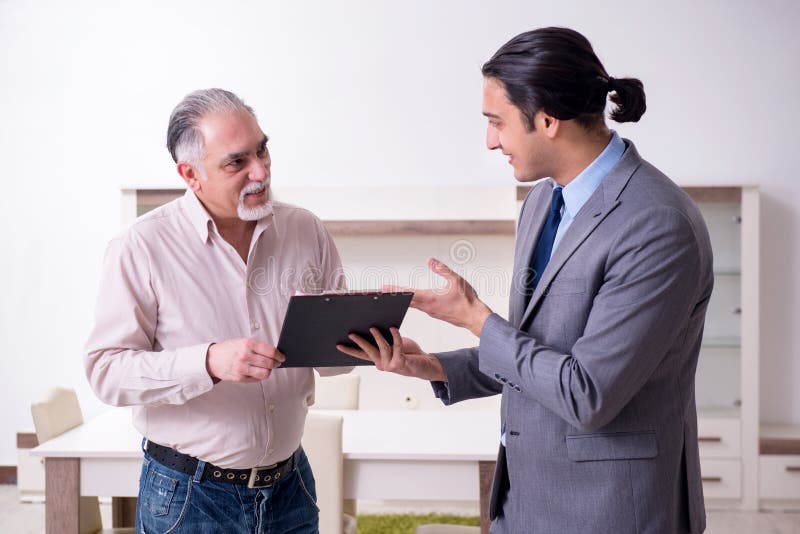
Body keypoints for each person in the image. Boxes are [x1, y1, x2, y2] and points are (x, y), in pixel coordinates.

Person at [337, 27, 711, 533]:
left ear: (547, 120)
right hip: (523, 503)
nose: (490, 140)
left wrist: (477, 319)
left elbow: (587, 392)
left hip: (608, 510)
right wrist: (431, 367)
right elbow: (542, 353)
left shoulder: (658, 225)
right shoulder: (541, 202)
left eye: (497, 122)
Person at [85, 88, 349, 533]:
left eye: (262, 149)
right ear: (191, 174)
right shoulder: (141, 247)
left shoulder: (305, 229)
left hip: (291, 487)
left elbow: (331, 357)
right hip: (190, 498)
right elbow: (106, 372)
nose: (261, 171)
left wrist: (372, 341)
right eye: (237, 162)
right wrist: (207, 361)